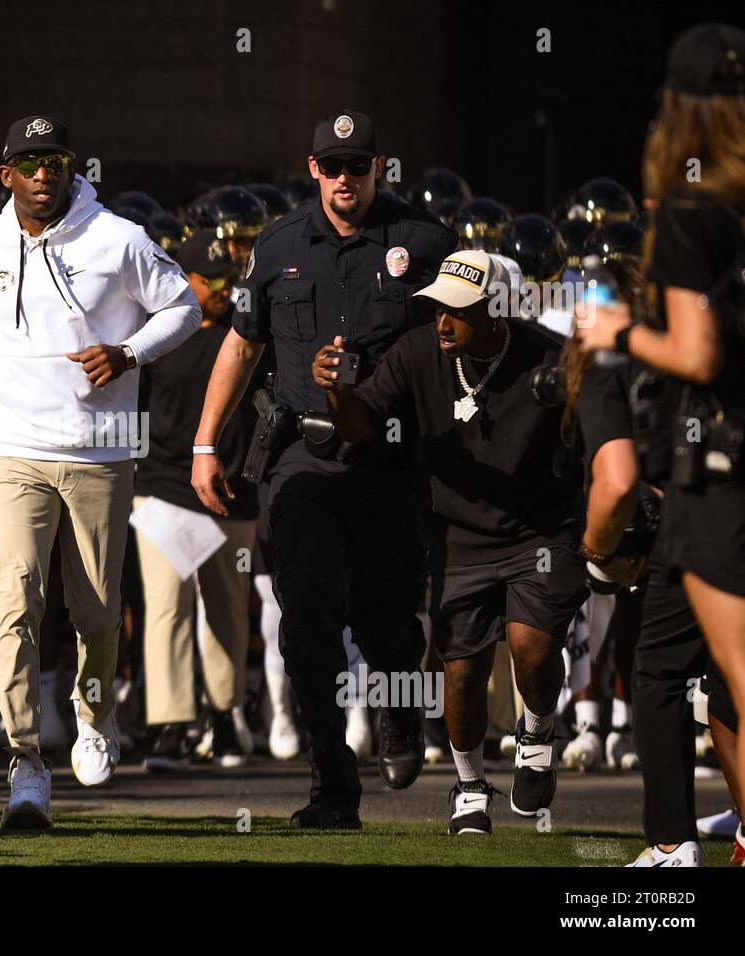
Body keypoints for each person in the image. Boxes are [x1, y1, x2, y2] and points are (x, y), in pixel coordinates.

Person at [0, 114, 200, 827]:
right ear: (7, 175)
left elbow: (186, 308)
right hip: (12, 449)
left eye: (56, 160)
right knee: (14, 600)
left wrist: (129, 352)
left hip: (100, 450)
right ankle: (25, 764)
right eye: (31, 162)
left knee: (96, 610)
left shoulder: (118, 237)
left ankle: (94, 715)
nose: (45, 173)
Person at [193, 109, 455, 829]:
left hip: (391, 458)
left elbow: (460, 341)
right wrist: (205, 444)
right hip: (304, 459)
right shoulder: (277, 246)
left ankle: (400, 719)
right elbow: (242, 347)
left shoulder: (425, 242)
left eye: (359, 165)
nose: (346, 179)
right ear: (313, 170)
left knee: (390, 624)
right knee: (305, 621)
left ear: (380, 167)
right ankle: (332, 783)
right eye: (332, 166)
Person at [313, 249, 589, 835]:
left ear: (496, 310)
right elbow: (362, 426)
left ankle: (536, 731)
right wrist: (337, 390)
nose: (442, 321)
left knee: (531, 646)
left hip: (541, 529)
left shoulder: (550, 356)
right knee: (460, 673)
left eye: (456, 311)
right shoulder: (417, 351)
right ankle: (469, 786)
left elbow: (596, 438)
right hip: (457, 535)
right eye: (437, 306)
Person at [576, 21, 745, 817]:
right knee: (682, 664)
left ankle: (676, 839)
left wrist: (619, 334)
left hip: (718, 470)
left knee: (737, 670)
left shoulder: (690, 203)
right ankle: (676, 833)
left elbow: (697, 352)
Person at [136, 229, 257, 771]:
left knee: (227, 611)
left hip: (232, 490)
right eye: (211, 280)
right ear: (184, 278)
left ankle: (227, 717)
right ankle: (171, 724)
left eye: (230, 280)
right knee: (167, 608)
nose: (222, 291)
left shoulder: (250, 333)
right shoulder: (158, 333)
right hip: (163, 485)